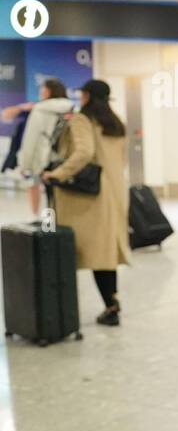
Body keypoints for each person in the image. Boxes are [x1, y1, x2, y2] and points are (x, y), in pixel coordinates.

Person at [41, 80, 129, 326]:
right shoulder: (116, 123)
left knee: (72, 251)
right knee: (105, 253)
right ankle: (111, 305)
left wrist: (56, 174)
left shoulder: (82, 120)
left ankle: (62, 312)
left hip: (89, 198)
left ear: (88, 96)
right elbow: (121, 160)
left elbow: (83, 153)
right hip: (114, 193)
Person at [2, 78, 76, 214]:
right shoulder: (70, 107)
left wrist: (25, 164)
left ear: (49, 91)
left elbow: (31, 138)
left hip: (41, 158)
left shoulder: (39, 109)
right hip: (62, 157)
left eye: (43, 89)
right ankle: (57, 225)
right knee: (56, 195)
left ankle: (42, 224)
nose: (41, 91)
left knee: (37, 189)